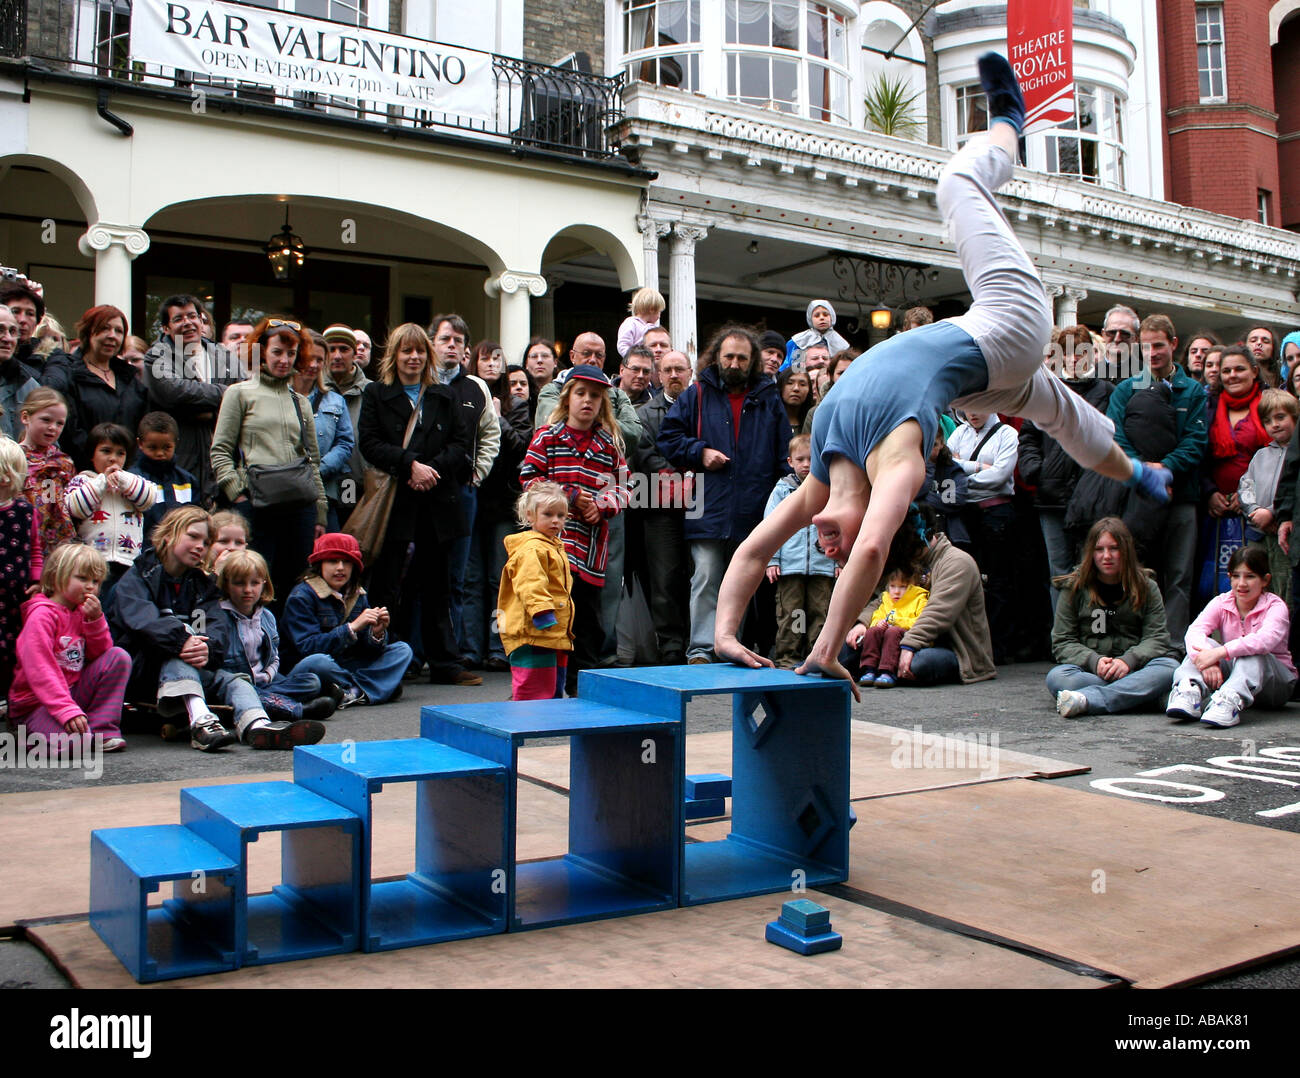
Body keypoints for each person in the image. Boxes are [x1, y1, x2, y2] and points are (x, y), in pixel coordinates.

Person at [712, 55, 1168, 694]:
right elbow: (767, 551)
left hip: (1006, 326)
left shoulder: (875, 465)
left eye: (834, 548)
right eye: (836, 549)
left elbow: (857, 551)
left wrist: (813, 648)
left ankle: (1010, 124)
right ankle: (1140, 470)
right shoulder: (825, 474)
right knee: (1061, 412)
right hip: (985, 368)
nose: (846, 550)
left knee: (958, 185)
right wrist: (729, 634)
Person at [108, 506, 324, 751]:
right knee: (179, 657)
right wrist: (184, 641)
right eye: (193, 536)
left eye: (206, 541)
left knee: (236, 681)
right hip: (144, 671)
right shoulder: (138, 577)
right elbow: (143, 622)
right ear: (168, 535)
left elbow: (212, 625)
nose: (201, 545)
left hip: (190, 666)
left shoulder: (200, 585)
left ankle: (257, 725)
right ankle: (202, 723)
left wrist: (207, 646)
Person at [658, 324, 790, 664]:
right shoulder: (697, 393)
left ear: (753, 361)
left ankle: (731, 644)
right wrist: (699, 452)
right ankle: (702, 648)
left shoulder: (769, 398)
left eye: (741, 358)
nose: (734, 363)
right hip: (708, 503)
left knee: (742, 580)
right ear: (716, 357)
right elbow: (668, 438)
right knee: (705, 577)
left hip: (753, 506)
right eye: (728, 356)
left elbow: (783, 457)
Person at [357, 323, 478, 687]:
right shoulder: (377, 394)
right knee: (390, 584)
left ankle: (445, 663)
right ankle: (387, 659)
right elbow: (369, 443)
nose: (413, 357)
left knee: (439, 585)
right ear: (393, 355)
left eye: (420, 351)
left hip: (438, 501)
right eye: (406, 351)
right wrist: (409, 464)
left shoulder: (443, 395)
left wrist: (431, 470)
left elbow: (461, 443)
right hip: (396, 502)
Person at [520, 364, 629, 695]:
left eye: (595, 396)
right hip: (553, 549)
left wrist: (603, 505)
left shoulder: (608, 443)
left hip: (590, 550)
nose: (587, 401)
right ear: (567, 398)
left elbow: (625, 486)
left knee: (587, 621)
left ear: (602, 403)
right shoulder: (548, 437)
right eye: (580, 394)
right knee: (553, 617)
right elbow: (529, 477)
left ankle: (581, 689)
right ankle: (547, 687)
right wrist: (570, 496)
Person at [210, 318, 327, 608]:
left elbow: (312, 460)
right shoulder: (239, 393)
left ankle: (289, 648)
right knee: (256, 581)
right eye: (277, 352)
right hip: (258, 505)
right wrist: (238, 493)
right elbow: (220, 450)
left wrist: (320, 511)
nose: (284, 360)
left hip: (299, 507)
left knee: (295, 582)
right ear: (262, 352)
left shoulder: (300, 402)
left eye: (291, 354)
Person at [1107, 314, 1206, 644]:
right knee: (1137, 572)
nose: (1153, 353)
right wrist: (1140, 470)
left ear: (1174, 344)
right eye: (1146, 346)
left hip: (1182, 496)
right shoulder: (1126, 388)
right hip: (1138, 499)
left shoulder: (1192, 391)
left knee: (1179, 574)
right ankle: (1135, 642)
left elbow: (1195, 440)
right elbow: (1115, 436)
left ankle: (1175, 644)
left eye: (1159, 345)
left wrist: (1165, 468)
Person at [1046, 517, 1180, 718]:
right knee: (1057, 677)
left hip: (1134, 668)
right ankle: (1142, 695)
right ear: (1091, 552)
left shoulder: (1146, 586)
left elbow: (1157, 637)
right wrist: (1095, 661)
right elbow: (1062, 641)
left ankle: (1088, 699)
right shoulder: (1074, 587)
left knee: (1170, 668)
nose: (1106, 556)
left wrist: (1128, 661)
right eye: (1099, 549)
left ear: (1125, 550)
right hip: (1091, 671)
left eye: (1114, 549)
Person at [9, 544, 130, 754]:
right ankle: (23, 737)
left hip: (70, 694)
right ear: (56, 576)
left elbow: (100, 656)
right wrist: (66, 709)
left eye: (96, 581)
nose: (90, 586)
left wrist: (95, 621)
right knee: (73, 745)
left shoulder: (83, 611)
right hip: (35, 704)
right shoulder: (42, 615)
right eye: (82, 578)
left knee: (118, 656)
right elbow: (40, 669)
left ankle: (100, 729)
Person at [1166, 545, 1296, 728]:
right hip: (1238, 674)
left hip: (1275, 685)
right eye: (1236, 576)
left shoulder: (1275, 606)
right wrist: (1207, 659)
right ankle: (1188, 692)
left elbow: (1265, 640)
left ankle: (1228, 702)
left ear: (1265, 580)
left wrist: (1220, 653)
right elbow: (1195, 631)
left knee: (1252, 651)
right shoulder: (1221, 601)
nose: (1241, 583)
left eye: (1250, 576)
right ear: (1229, 577)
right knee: (1203, 646)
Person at [281, 532, 413, 707]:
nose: (340, 568)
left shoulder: (358, 594)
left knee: (402, 650)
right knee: (319, 662)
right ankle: (372, 688)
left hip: (347, 666)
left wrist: (376, 634)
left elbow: (366, 651)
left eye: (347, 562)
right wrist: (351, 628)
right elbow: (308, 648)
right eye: (333, 561)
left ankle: (351, 692)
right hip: (312, 667)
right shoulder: (302, 596)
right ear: (319, 564)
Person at [215, 548, 338, 723]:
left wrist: (269, 674)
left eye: (254, 583)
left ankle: (271, 704)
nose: (248, 590)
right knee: (245, 693)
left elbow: (274, 657)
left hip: (265, 682)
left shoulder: (267, 617)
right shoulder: (219, 616)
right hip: (236, 684)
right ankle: (295, 709)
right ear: (227, 584)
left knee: (311, 682)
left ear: (264, 584)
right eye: (239, 583)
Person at [140, 295, 241, 505]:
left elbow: (244, 394)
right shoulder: (157, 356)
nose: (187, 323)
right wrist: (226, 396)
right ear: (165, 328)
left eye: (192, 316)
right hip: (180, 464)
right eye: (178, 319)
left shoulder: (223, 355)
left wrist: (205, 408)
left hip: (223, 466)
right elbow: (173, 392)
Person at [947, 407, 1019, 663]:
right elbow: (946, 466)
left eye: (978, 405)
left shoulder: (1007, 434)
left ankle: (999, 647)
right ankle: (972, 645)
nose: (972, 412)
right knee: (968, 579)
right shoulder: (958, 434)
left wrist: (962, 474)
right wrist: (977, 467)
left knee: (998, 580)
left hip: (996, 512)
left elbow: (1000, 475)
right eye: (967, 406)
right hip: (965, 514)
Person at [41, 305, 148, 472]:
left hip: (127, 475)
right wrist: (100, 465)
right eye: (105, 328)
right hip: (84, 474)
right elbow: (70, 430)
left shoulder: (130, 379)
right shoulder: (70, 374)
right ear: (89, 331)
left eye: (119, 331)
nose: (112, 336)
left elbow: (141, 427)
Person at [64, 422, 160, 603]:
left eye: (120, 453)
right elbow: (76, 507)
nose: (113, 459)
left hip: (128, 561)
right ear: (92, 454)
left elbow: (149, 498)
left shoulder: (131, 482)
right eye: (106, 451)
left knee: (123, 606)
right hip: (93, 562)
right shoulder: (83, 480)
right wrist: (102, 482)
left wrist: (122, 479)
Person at [498, 483, 574, 700]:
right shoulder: (532, 548)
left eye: (561, 515)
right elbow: (530, 583)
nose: (555, 520)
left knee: (552, 680)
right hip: (534, 629)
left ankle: (546, 716)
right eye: (548, 514)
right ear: (530, 515)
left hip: (553, 630)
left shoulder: (552, 545)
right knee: (533, 682)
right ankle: (524, 716)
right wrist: (541, 611)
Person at [765, 434, 835, 669]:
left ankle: (817, 658)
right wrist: (772, 559)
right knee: (792, 613)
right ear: (790, 462)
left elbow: (839, 526)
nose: (806, 464)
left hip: (823, 564)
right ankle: (788, 658)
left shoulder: (829, 490)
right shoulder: (782, 491)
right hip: (790, 565)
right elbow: (769, 526)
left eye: (811, 459)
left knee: (820, 612)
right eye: (800, 459)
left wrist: (839, 562)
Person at [291, 333, 355, 532]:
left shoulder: (335, 400)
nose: (314, 365)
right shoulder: (279, 396)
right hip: (286, 491)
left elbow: (345, 443)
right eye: (309, 358)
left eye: (319, 360)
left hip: (325, 493)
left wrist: (319, 470)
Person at [1239, 388, 1296, 599]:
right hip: (1258, 535)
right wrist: (1254, 510)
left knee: (1284, 591)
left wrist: (1272, 513)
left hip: (1285, 535)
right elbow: (1245, 486)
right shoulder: (1261, 455)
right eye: (1268, 420)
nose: (1275, 424)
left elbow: (1293, 491)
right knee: (1256, 590)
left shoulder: (1296, 454)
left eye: (1281, 417)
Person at [0, 437, 42, 703]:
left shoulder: (26, 511)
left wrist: (36, 581)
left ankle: (9, 695)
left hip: (17, 593)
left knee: (12, 646)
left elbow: (35, 550)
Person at [129, 411, 197, 553]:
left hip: (181, 553)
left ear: (176, 444)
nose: (160, 453)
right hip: (145, 553)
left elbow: (195, 519)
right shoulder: (133, 480)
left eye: (167, 447)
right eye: (152, 447)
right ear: (140, 444)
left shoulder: (187, 480)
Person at [18, 386, 76, 553]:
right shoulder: (14, 457)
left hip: (56, 544)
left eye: (59, 423)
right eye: (46, 420)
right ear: (25, 417)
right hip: (22, 537)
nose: (53, 427)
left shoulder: (64, 461)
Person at [857, 567, 929, 688]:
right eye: (893, 586)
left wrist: (897, 621)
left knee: (893, 631)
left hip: (907, 635)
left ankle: (887, 671)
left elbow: (920, 621)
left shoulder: (920, 598)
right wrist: (878, 623)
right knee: (873, 631)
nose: (896, 591)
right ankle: (869, 669)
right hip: (886, 632)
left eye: (903, 587)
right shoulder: (886, 598)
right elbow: (877, 614)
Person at [0, 303, 40, 441]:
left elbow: (48, 450)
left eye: (12, 331)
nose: (7, 338)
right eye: (0, 330)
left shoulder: (29, 386)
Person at [784, 300, 849, 371]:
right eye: (817, 315)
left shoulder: (841, 344)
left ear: (832, 317)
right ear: (810, 319)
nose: (822, 318)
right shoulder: (799, 341)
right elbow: (795, 369)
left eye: (825, 314)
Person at [616, 287, 667, 359]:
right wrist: (633, 359)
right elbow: (623, 345)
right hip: (636, 364)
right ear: (652, 309)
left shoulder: (654, 328)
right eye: (659, 311)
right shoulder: (631, 324)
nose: (659, 316)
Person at [776, 366, 813, 437]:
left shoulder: (813, 422)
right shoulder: (768, 421)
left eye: (802, 384)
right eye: (790, 383)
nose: (796, 388)